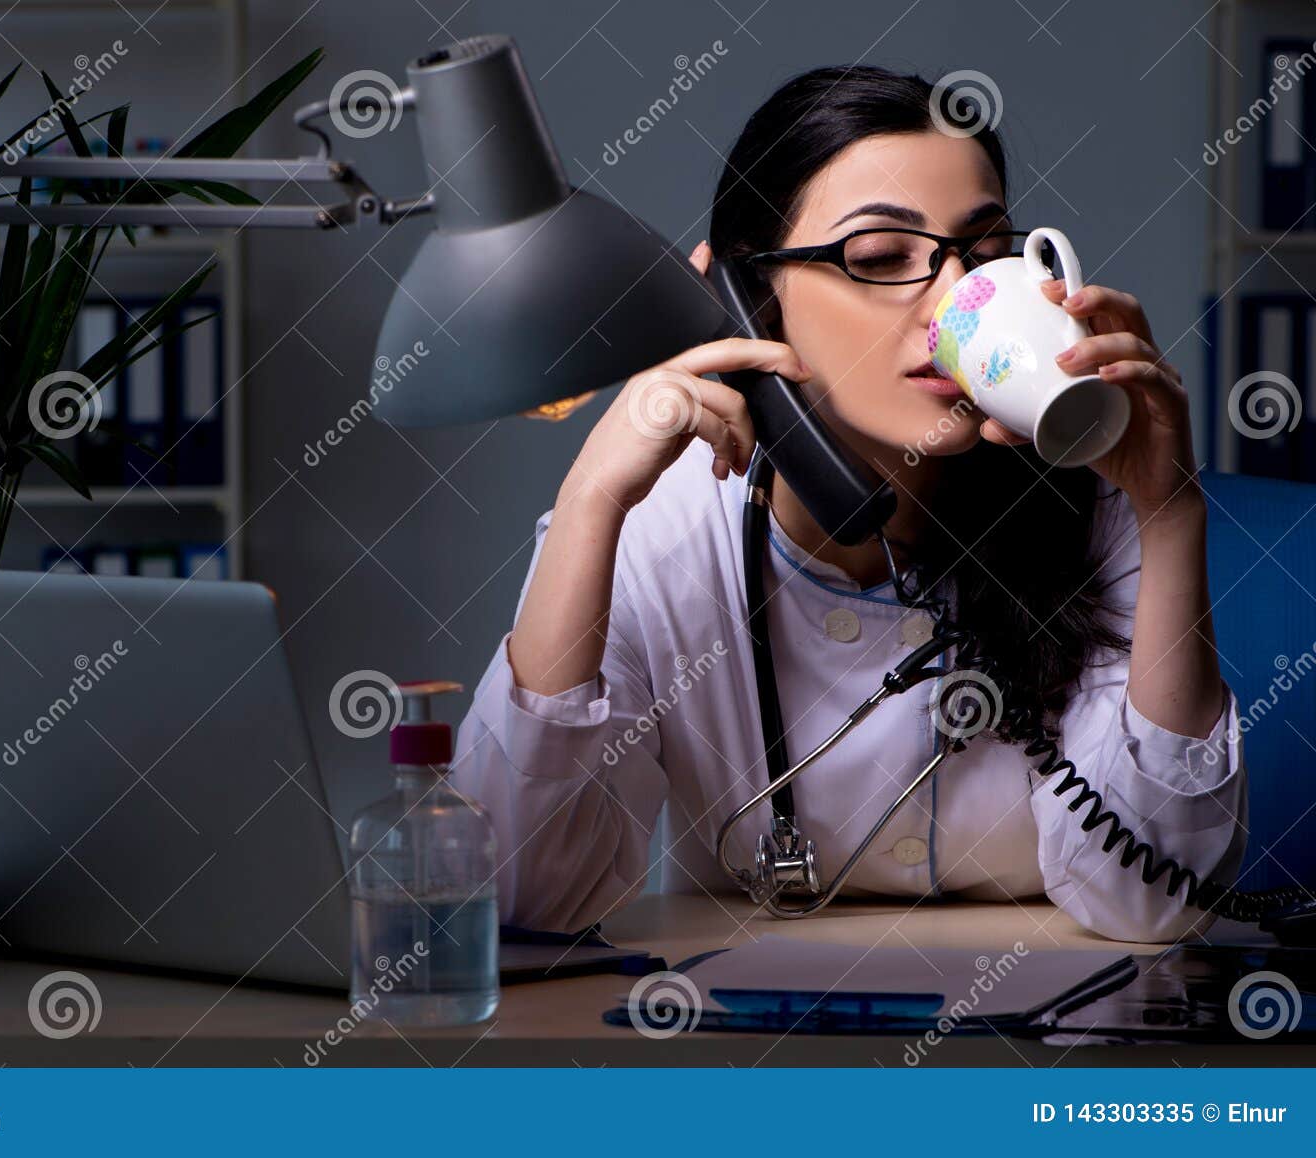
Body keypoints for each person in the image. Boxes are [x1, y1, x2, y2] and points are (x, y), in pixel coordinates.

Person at [450, 64, 1246, 943]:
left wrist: (1169, 514)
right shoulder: (665, 525)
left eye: (982, 257)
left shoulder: (1098, 497)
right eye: (877, 258)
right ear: (745, 301)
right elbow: (519, 901)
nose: (950, 302)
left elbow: (1151, 899)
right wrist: (590, 501)